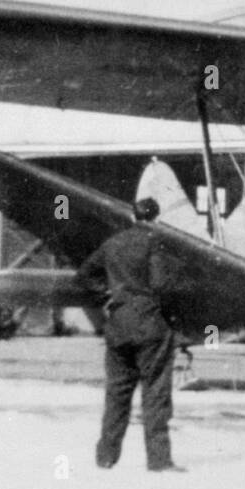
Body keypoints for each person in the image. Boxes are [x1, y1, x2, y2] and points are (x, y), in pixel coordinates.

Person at [76, 197, 184, 472]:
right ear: (156, 217)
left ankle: (106, 457)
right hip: (150, 324)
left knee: (116, 394)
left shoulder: (113, 243)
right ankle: (159, 461)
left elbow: (85, 274)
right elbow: (161, 284)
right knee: (155, 393)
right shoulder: (155, 243)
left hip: (118, 325)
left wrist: (108, 293)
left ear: (133, 216)